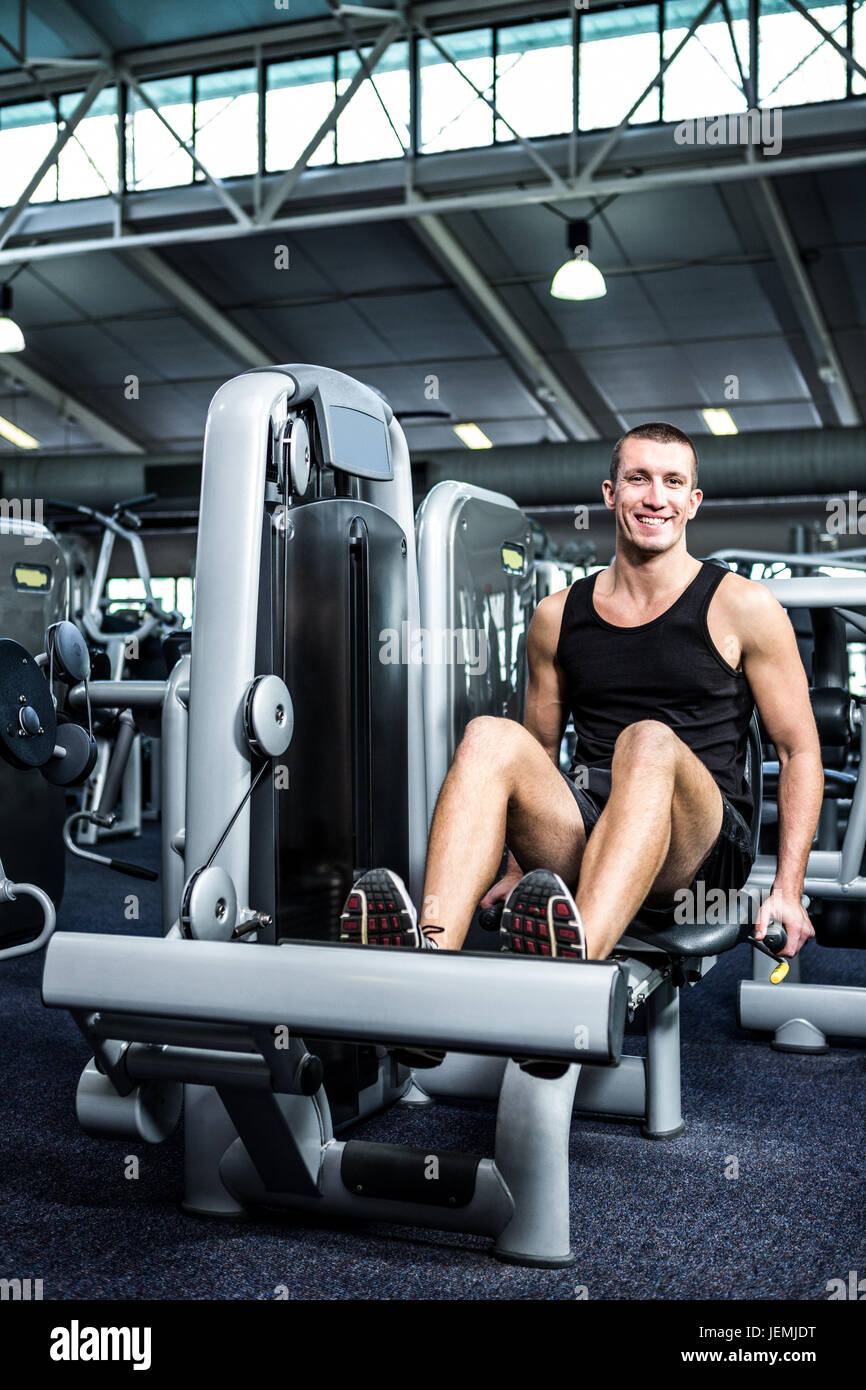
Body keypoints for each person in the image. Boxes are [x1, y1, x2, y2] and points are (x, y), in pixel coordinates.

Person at [340, 421, 822, 978]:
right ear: (610, 493)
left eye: (672, 482)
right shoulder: (556, 616)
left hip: (698, 854)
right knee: (490, 736)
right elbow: (539, 755)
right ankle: (425, 967)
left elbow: (799, 752)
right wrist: (522, 866)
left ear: (693, 502)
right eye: (638, 478)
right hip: (591, 825)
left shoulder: (745, 606)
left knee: (647, 741)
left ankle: (574, 978)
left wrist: (788, 888)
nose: (654, 498)